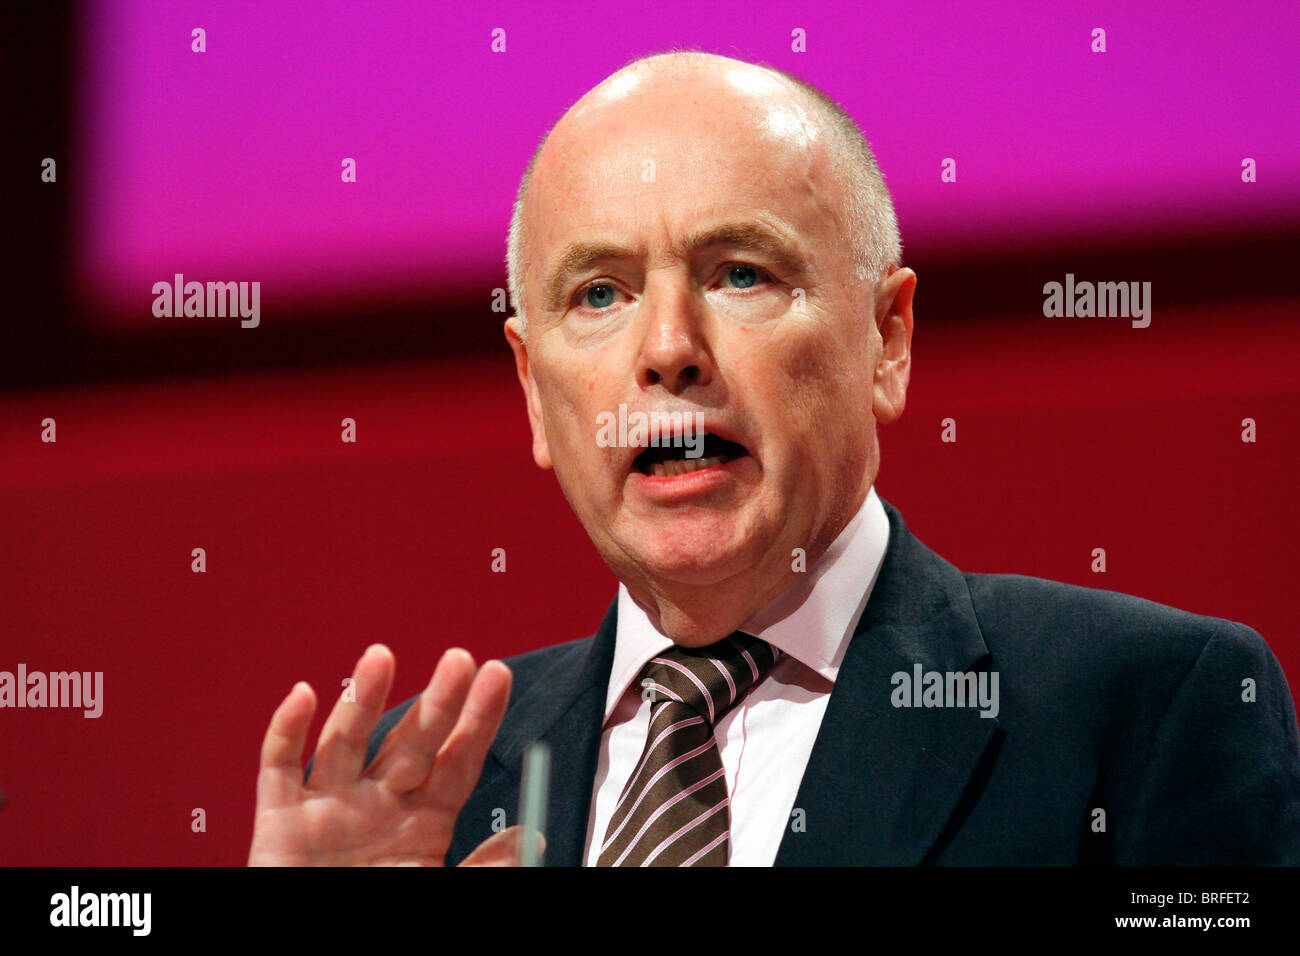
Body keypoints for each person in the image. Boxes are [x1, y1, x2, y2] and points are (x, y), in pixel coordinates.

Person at [247, 51, 1300, 866]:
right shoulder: (428, 785)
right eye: (599, 294)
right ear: (531, 386)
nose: (666, 349)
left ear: (887, 338)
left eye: (740, 273)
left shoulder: (1142, 709)